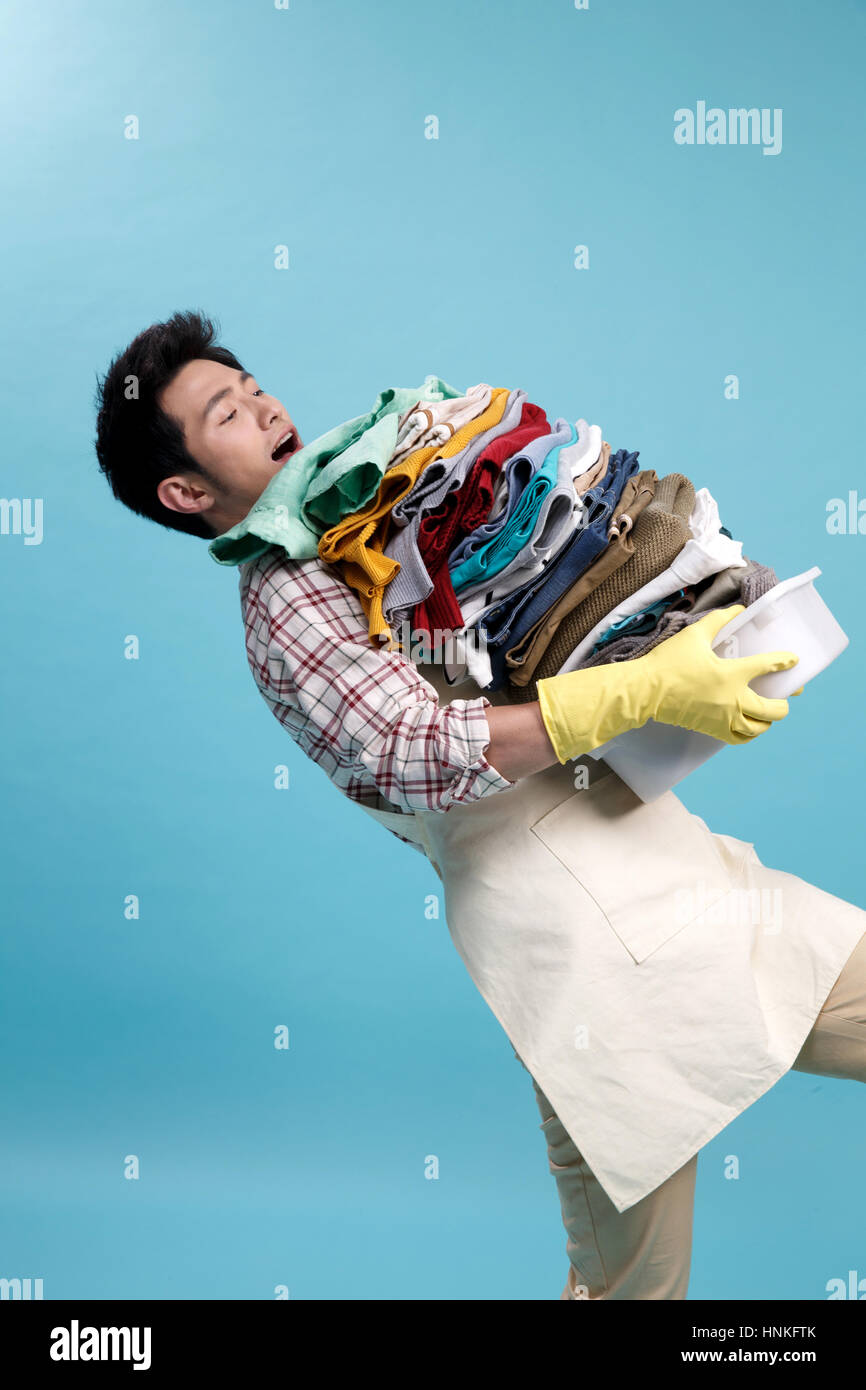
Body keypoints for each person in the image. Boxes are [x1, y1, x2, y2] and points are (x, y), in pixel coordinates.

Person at [93, 310, 866, 1300]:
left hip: (664, 865)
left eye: (251, 387)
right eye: (224, 413)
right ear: (187, 489)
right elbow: (416, 750)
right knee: (632, 1290)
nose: (263, 406)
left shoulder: (373, 511)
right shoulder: (287, 598)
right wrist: (640, 693)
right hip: (572, 945)